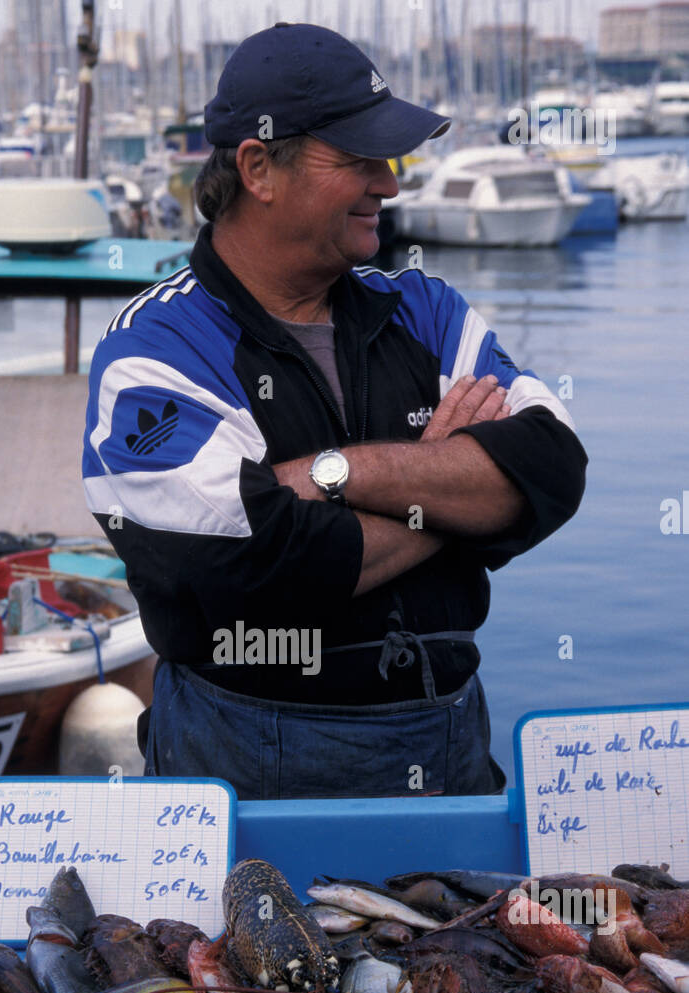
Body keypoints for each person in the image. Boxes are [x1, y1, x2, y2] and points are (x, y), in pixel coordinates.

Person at [81, 22, 587, 801]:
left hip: (448, 751)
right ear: (258, 167)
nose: (388, 183)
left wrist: (337, 473)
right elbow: (256, 571)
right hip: (242, 767)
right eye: (357, 159)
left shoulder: (425, 310)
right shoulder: (154, 353)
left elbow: (550, 470)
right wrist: (448, 488)